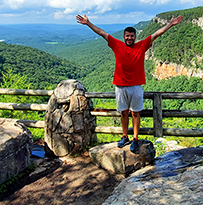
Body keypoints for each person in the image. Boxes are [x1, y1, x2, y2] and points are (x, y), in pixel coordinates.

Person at [76, 14, 182, 151]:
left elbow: (156, 34)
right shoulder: (117, 45)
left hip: (136, 86)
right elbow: (102, 33)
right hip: (120, 86)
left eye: (132, 36)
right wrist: (88, 23)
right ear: (124, 36)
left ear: (135, 37)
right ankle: (125, 136)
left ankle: (135, 138)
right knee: (123, 113)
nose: (129, 38)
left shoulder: (141, 46)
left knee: (135, 113)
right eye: (127, 36)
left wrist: (169, 25)